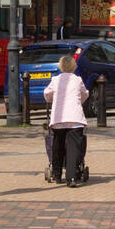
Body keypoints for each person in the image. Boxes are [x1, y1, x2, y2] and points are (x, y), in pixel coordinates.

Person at [43, 54, 89, 187]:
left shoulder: (56, 80)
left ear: (61, 66)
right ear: (74, 66)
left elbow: (47, 94)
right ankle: (72, 178)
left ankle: (57, 175)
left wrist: (51, 99)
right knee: (73, 148)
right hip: (75, 119)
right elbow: (85, 94)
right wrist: (80, 101)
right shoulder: (77, 80)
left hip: (59, 119)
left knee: (58, 146)